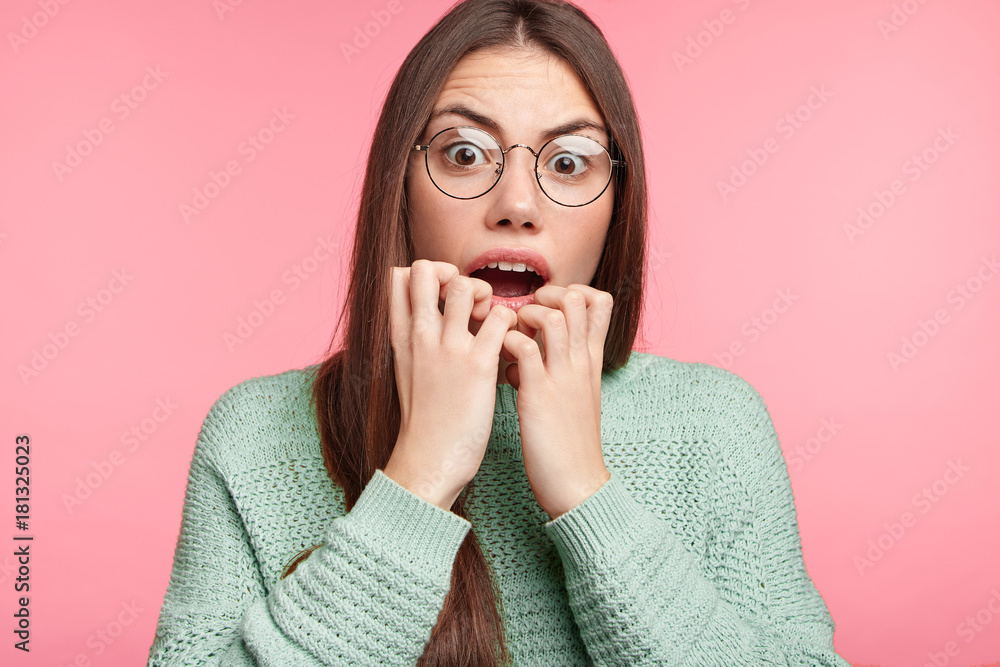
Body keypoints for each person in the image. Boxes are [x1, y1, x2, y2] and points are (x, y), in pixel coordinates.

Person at [147, 0, 852, 665]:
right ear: (401, 185)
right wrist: (417, 479)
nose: (516, 203)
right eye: (463, 154)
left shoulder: (717, 426)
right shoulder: (253, 435)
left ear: (618, 205)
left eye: (569, 162)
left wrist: (587, 494)